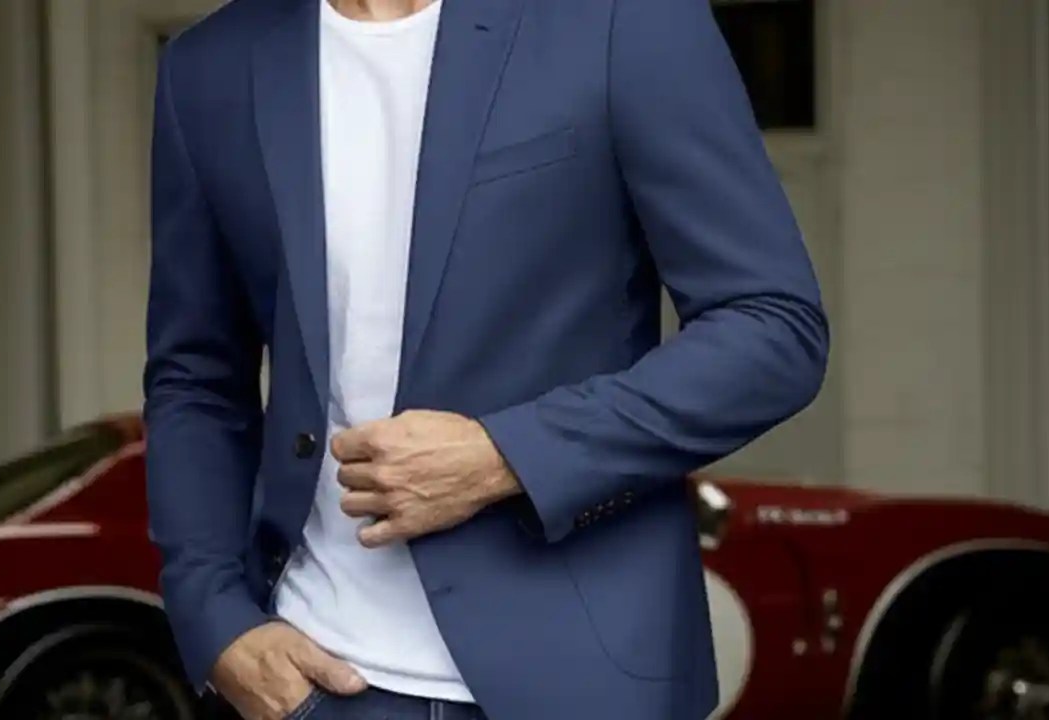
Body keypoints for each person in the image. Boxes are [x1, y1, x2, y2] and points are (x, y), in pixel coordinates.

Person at [143, 0, 829, 717]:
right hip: (316, 681)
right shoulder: (209, 68)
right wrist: (213, 613)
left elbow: (772, 330)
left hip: (579, 676)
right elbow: (196, 377)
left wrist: (508, 455)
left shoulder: (622, 20)